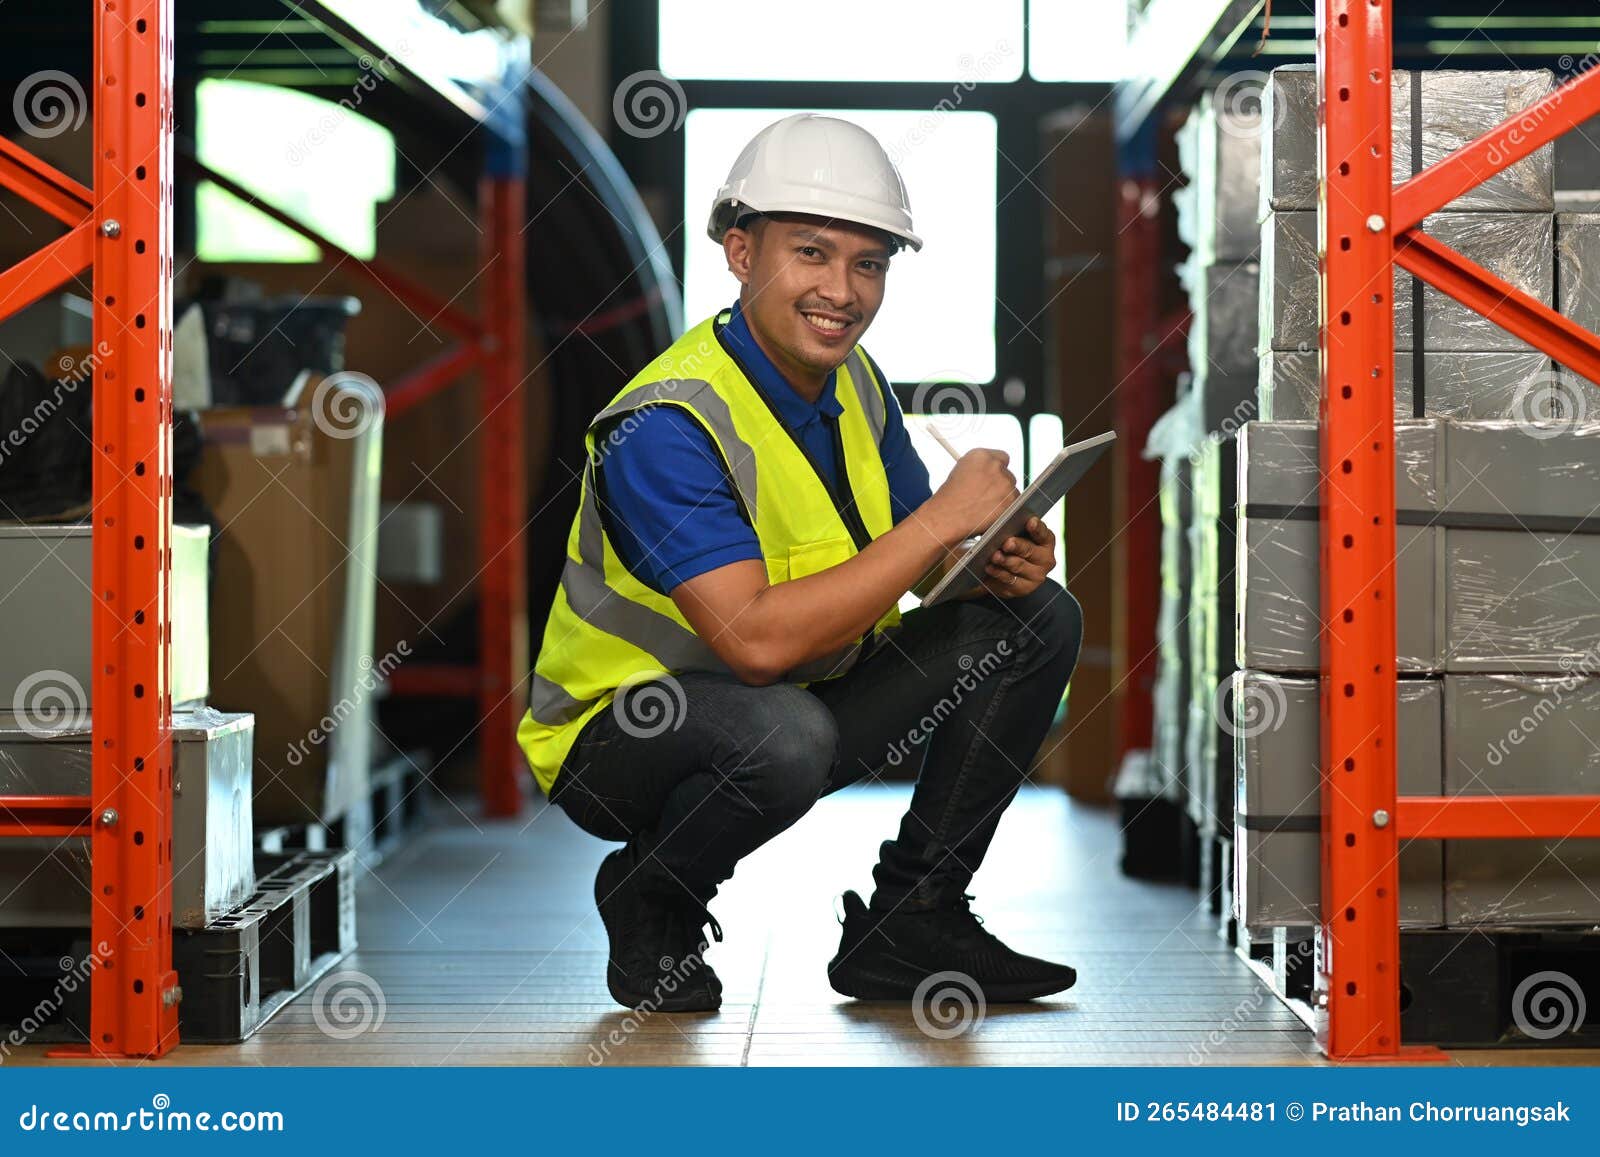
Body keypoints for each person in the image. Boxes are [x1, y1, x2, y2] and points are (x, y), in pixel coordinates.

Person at [519, 113, 1082, 1013]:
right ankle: (652, 892)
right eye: (812, 254)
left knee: (1039, 619)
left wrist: (987, 557)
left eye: (869, 264)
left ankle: (912, 918)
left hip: (800, 691)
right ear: (740, 253)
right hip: (619, 734)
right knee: (785, 735)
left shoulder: (854, 384)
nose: (844, 291)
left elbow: (904, 560)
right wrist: (940, 519)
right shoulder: (665, 423)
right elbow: (751, 644)